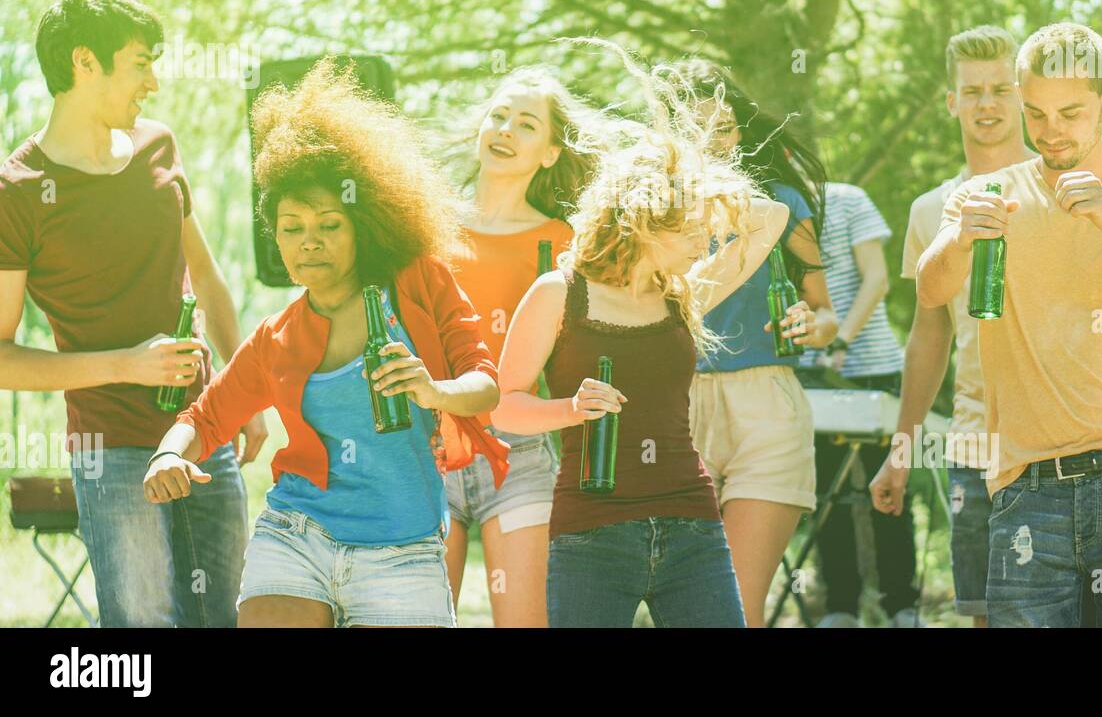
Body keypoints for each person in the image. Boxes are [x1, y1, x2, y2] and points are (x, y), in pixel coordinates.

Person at [142, 61, 507, 628]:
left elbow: (485, 387)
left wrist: (433, 390)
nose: (309, 243)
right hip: (297, 534)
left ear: (364, 224)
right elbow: (206, 415)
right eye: (292, 228)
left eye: (329, 225)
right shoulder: (275, 337)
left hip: (403, 550)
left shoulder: (419, 283)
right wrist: (168, 453)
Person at [492, 47, 791, 627]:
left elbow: (770, 216)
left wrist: (690, 177)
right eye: (693, 227)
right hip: (592, 533)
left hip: (693, 527)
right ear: (646, 220)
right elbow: (506, 407)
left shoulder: (685, 293)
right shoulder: (559, 293)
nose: (706, 238)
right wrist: (571, 410)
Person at [916, 21, 1102, 628]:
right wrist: (962, 237)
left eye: (1070, 112)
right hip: (1027, 488)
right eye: (1036, 112)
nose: (1051, 131)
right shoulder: (983, 195)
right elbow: (931, 288)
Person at [0, 0, 261, 627]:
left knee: (222, 618)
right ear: (84, 63)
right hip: (111, 450)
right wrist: (127, 364)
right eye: (140, 64)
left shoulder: (157, 147)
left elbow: (207, 278)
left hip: (204, 434)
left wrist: (241, 394)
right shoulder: (20, 191)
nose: (154, 82)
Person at [872, 25, 1033, 628]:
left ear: (1021, 96)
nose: (986, 105)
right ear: (952, 102)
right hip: (973, 441)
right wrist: (901, 450)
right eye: (972, 92)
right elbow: (929, 337)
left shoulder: (1059, 190)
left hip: (1058, 437)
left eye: (1000, 89)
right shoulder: (928, 210)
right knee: (986, 616)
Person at [678, 60, 839, 627]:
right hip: (676, 410)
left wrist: (808, 323)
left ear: (739, 132)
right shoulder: (651, 207)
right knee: (686, 609)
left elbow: (827, 315)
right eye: (693, 130)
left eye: (721, 128)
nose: (711, 142)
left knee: (733, 610)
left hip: (767, 408)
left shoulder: (783, 203)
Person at [443, 66, 603, 627]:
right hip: (429, 448)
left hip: (520, 452)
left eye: (526, 124)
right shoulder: (427, 227)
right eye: (499, 116)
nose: (505, 130)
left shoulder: (564, 243)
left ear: (552, 152)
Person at [799, 181, 918, 627]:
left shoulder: (849, 199)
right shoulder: (772, 209)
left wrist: (842, 337)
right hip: (811, 377)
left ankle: (901, 606)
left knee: (889, 492)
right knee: (824, 496)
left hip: (875, 370)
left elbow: (877, 279)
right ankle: (841, 608)